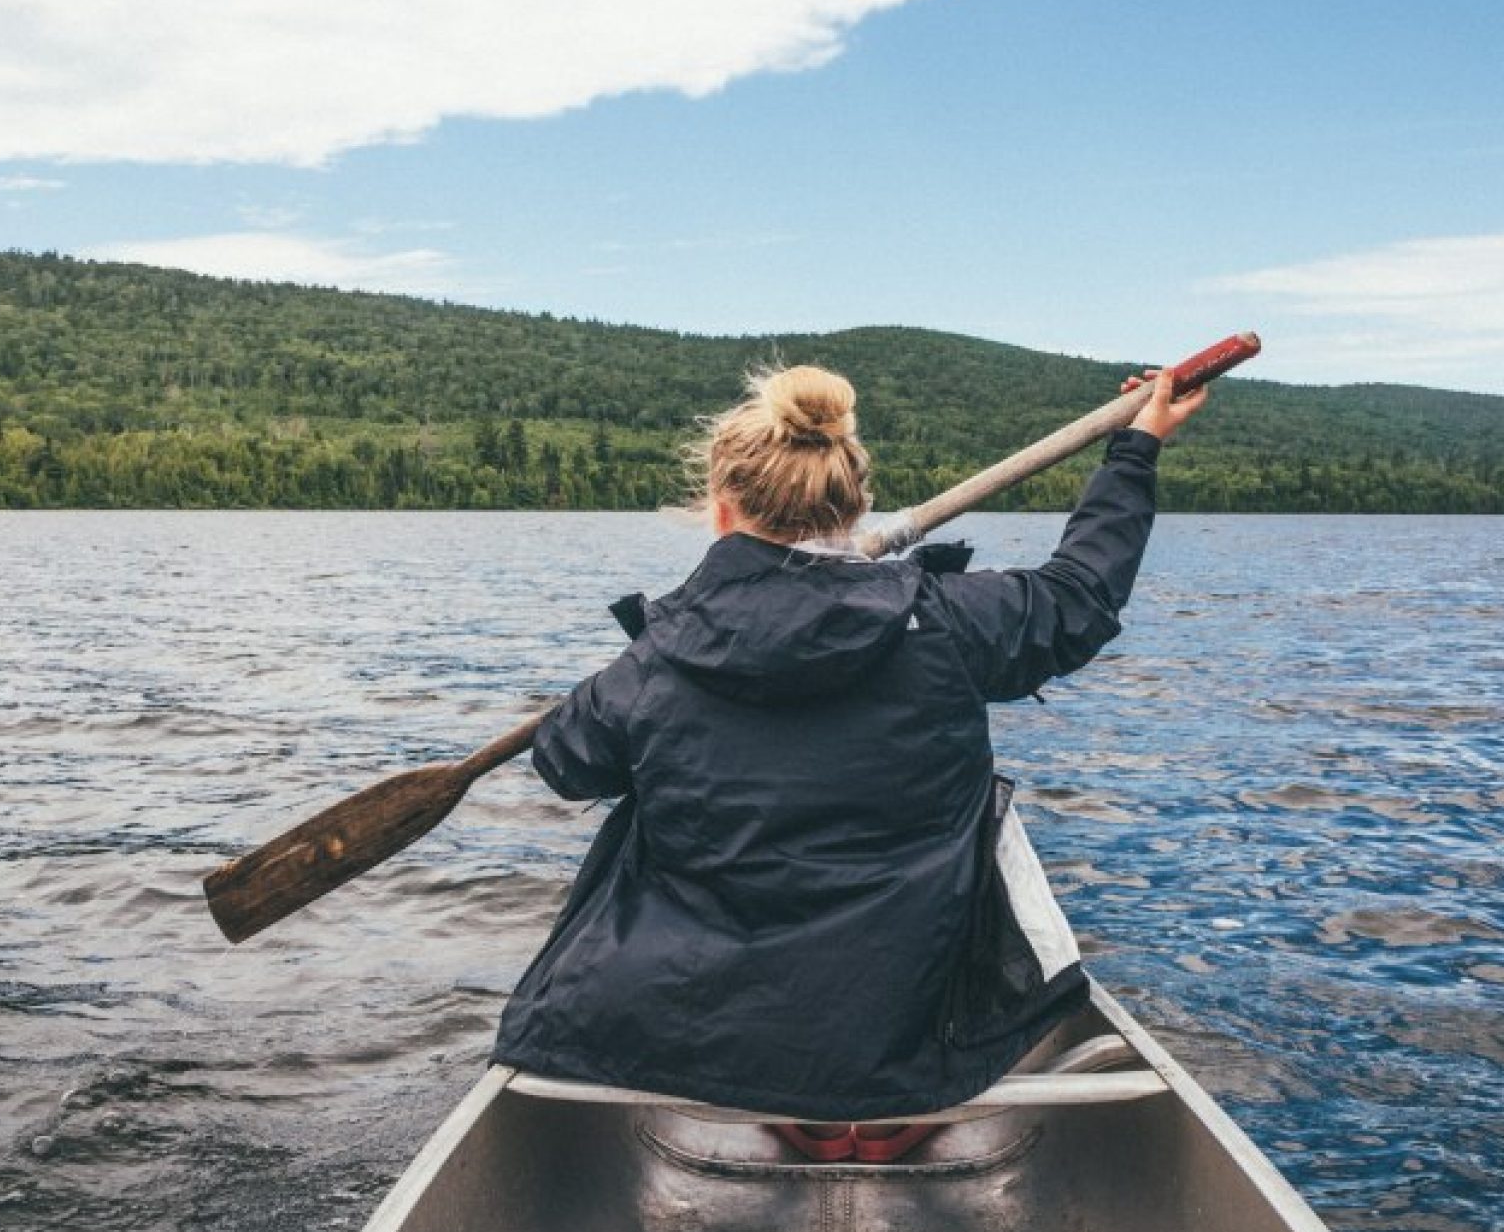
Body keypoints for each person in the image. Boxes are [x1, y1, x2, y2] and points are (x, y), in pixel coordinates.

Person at [491, 358, 1209, 1161]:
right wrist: (1137, 447)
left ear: (722, 511)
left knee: (644, 808)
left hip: (707, 1034)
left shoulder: (654, 664)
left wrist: (631, 681)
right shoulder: (948, 623)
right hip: (917, 1029)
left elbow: (564, 761)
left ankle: (796, 1110)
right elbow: (1080, 593)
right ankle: (881, 1111)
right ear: (856, 502)